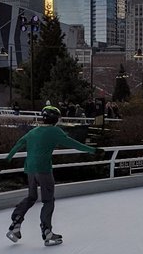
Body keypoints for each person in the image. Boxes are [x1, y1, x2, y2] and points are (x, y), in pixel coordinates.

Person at [5, 105, 97, 245]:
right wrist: (93, 150)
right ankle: (47, 232)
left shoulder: (34, 131)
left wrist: (8, 158)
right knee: (48, 200)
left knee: (31, 197)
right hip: (43, 170)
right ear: (55, 119)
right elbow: (73, 143)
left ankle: (16, 222)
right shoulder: (54, 131)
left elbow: (19, 143)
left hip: (30, 169)